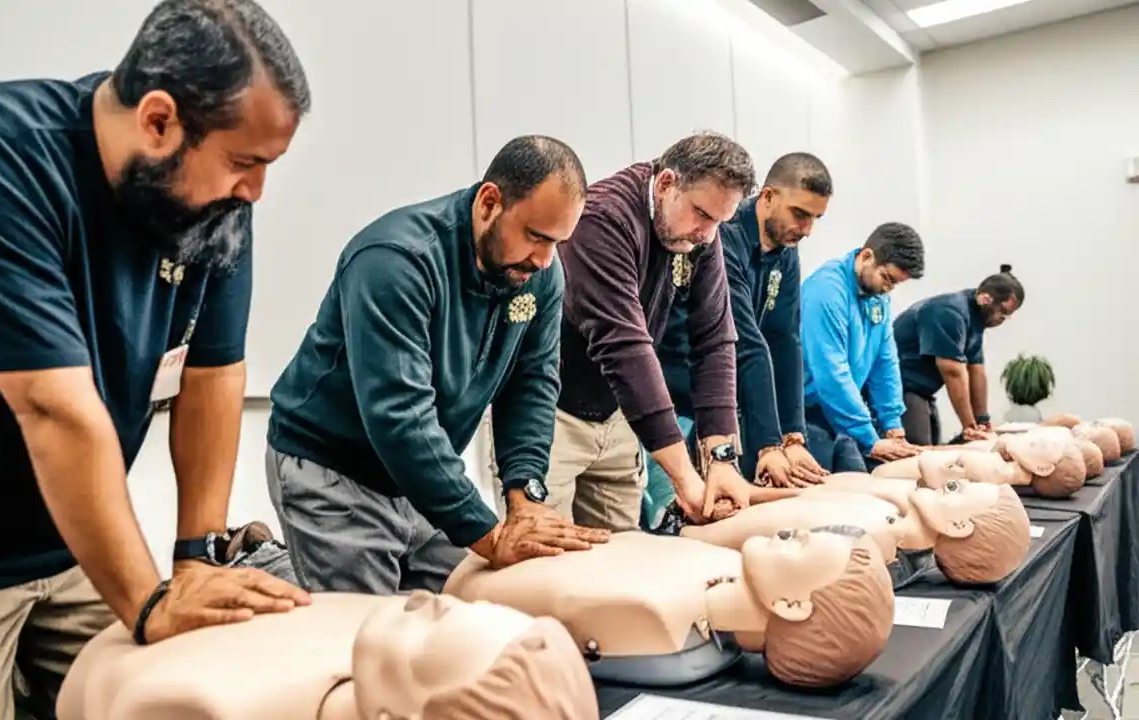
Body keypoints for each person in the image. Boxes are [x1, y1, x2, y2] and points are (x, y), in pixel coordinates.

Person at [0, 2, 312, 718]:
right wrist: (146, 602)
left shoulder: (214, 203)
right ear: (159, 120)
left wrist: (194, 558)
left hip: (69, 546)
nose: (255, 190)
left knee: (155, 698)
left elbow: (213, 373)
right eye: (244, 161)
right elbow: (52, 408)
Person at [265, 136, 610, 596]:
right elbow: (400, 415)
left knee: (484, 602)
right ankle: (260, 562)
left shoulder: (538, 273)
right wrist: (489, 535)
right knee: (368, 638)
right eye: (536, 237)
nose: (546, 259)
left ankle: (288, 566)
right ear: (489, 202)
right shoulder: (395, 261)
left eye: (558, 243)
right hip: (334, 471)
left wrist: (524, 499)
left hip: (417, 480)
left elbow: (532, 383)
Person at [552, 132, 757, 532]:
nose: (708, 235)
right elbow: (625, 348)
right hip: (552, 414)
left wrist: (722, 458)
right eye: (702, 215)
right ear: (666, 184)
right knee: (546, 567)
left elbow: (715, 339)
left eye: (720, 222)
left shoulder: (698, 233)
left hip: (617, 413)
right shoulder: (602, 219)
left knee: (622, 560)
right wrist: (685, 478)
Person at [656, 152, 832, 497]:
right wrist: (769, 444)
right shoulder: (726, 236)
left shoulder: (786, 249)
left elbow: (784, 340)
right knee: (682, 506)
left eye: (815, 218)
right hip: (680, 387)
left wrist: (793, 436)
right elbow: (746, 341)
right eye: (800, 214)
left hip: (731, 391)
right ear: (768, 197)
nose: (807, 229)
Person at [800, 223, 926, 473]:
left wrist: (892, 425)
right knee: (826, 494)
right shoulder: (827, 290)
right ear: (866, 256)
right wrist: (870, 438)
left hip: (842, 414)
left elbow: (885, 362)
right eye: (887, 278)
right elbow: (831, 372)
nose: (889, 288)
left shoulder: (877, 296)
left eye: (896, 284)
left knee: (866, 480)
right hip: (807, 414)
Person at [894, 266, 1025, 446]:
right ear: (985, 299)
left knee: (933, 444)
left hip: (922, 390)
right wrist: (970, 427)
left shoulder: (975, 321)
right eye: (1002, 312)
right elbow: (953, 371)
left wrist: (982, 421)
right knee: (917, 449)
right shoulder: (949, 312)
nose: (1002, 319)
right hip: (899, 387)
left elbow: (976, 370)